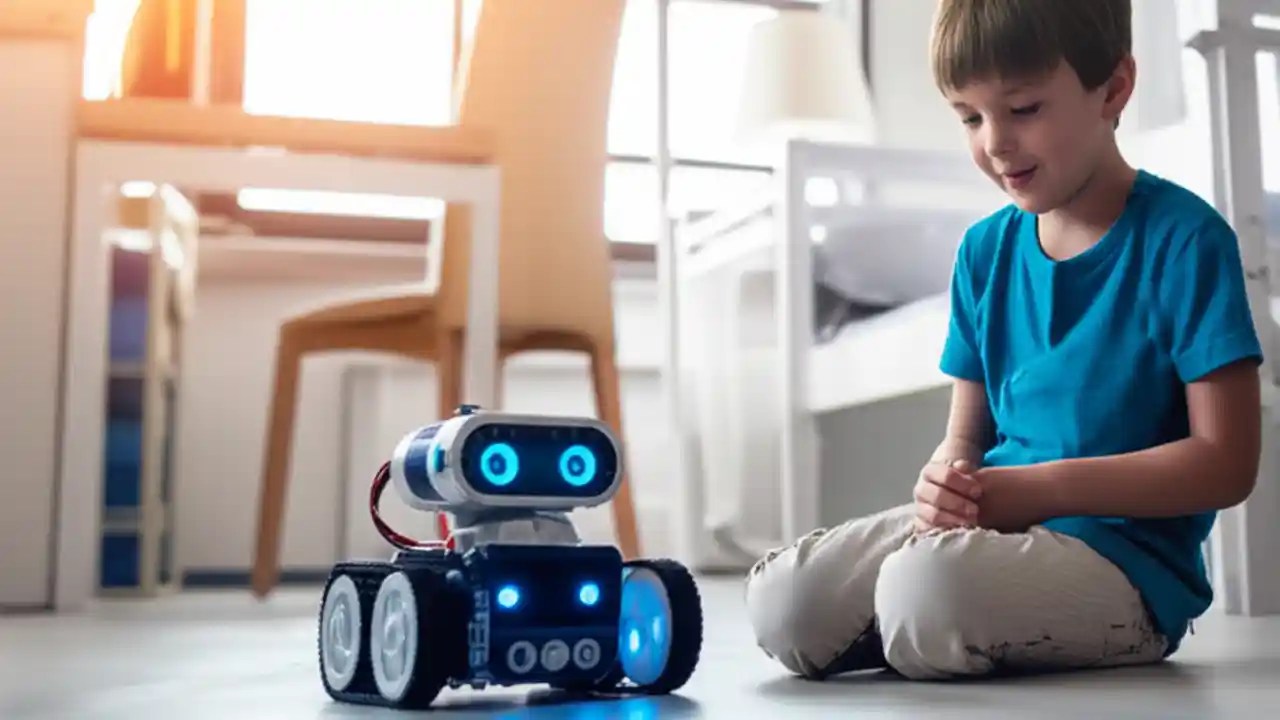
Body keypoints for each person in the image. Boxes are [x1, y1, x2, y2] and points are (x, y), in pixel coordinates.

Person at [744, 0, 1264, 681]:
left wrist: (1042, 491)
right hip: (995, 530)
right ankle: (920, 623)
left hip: (1126, 568)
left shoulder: (1186, 241)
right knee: (787, 602)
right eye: (969, 116)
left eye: (1023, 110)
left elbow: (1226, 464)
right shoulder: (983, 253)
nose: (995, 142)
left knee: (926, 589)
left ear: (1113, 89)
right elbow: (966, 438)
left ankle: (923, 621)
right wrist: (946, 485)